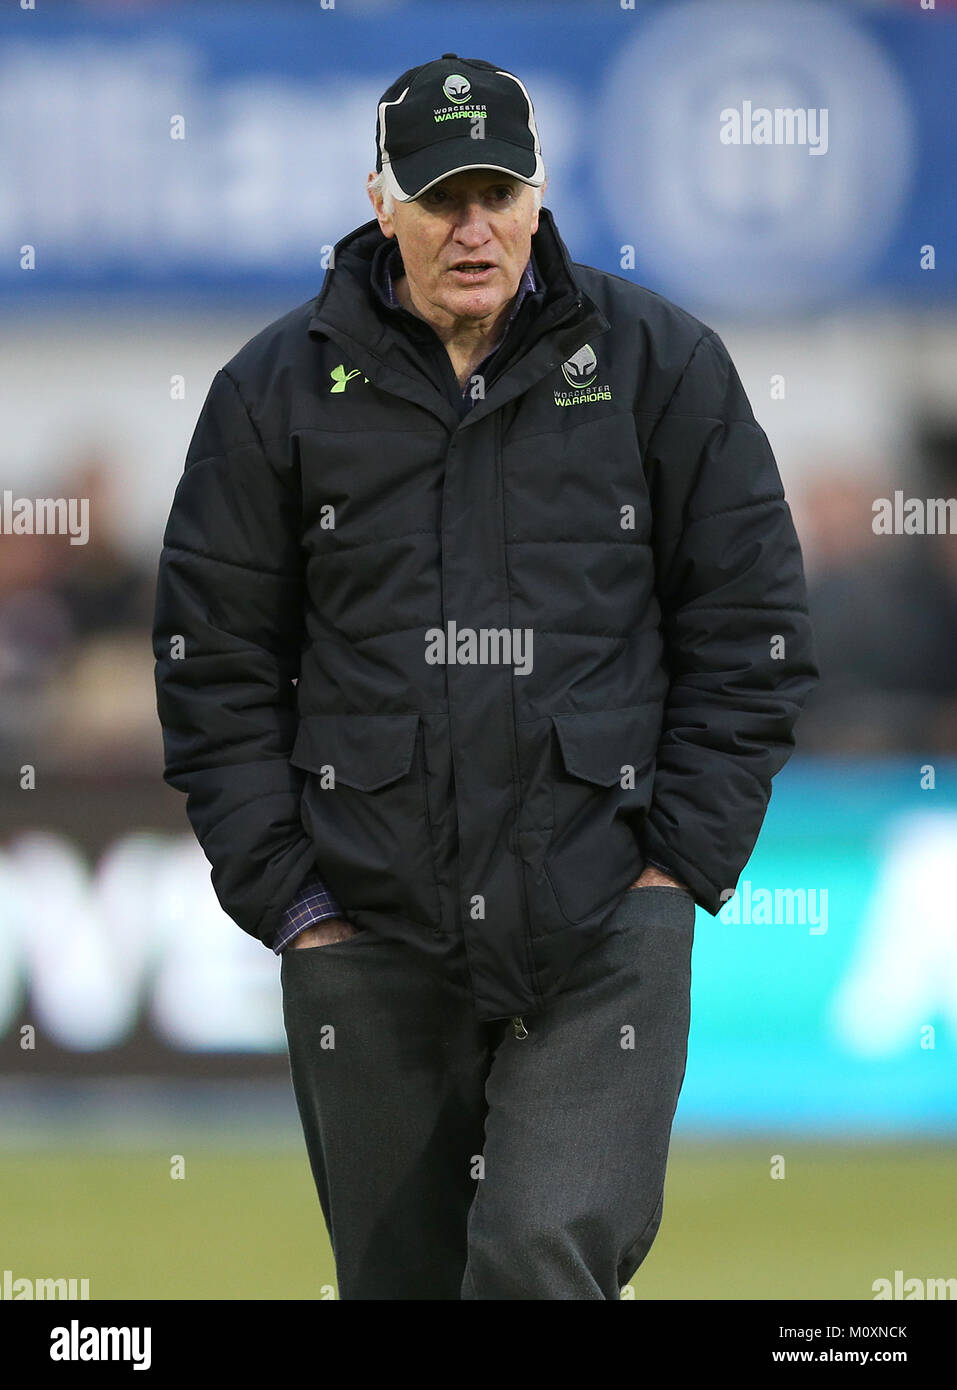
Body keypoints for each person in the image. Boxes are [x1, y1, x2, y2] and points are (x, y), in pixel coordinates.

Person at [152, 53, 818, 1300]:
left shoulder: (662, 364)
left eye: (497, 192)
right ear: (379, 199)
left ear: (539, 193)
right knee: (398, 1285)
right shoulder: (268, 394)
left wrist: (677, 868)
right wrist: (299, 907)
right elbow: (213, 667)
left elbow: (754, 629)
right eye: (441, 195)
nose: (473, 227)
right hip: (365, 927)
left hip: (606, 912)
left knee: (535, 1258)